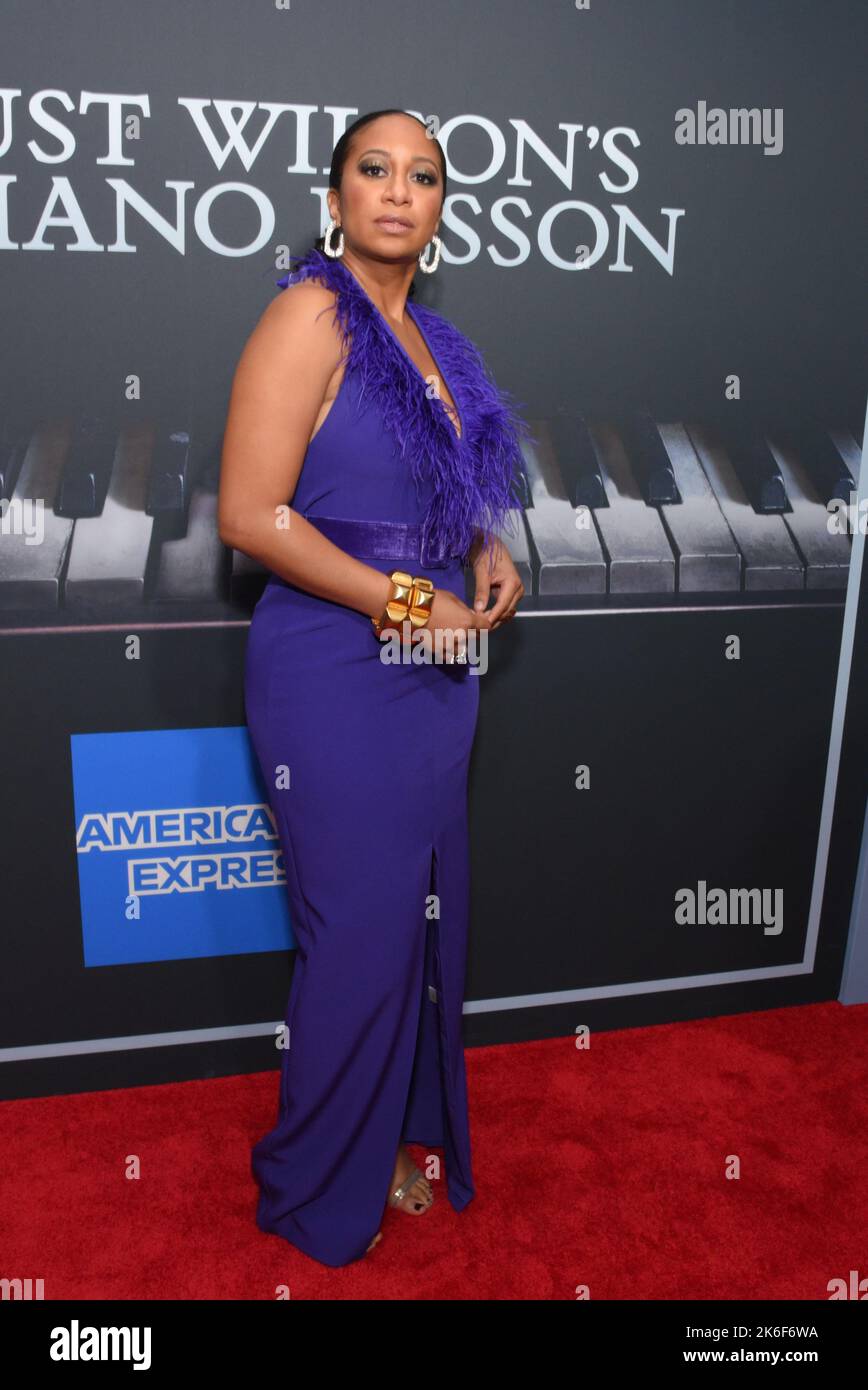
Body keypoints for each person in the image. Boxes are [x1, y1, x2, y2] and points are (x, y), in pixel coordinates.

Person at [218, 108, 529, 1267]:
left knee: (409, 927)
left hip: (434, 672)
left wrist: (481, 545)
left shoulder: (440, 344)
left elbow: (430, 489)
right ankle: (313, 1182)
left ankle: (383, 1138)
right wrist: (408, 604)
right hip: (336, 669)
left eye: (424, 176)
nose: (399, 191)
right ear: (335, 193)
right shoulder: (307, 314)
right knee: (355, 933)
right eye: (374, 169)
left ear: (442, 209)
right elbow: (251, 518)